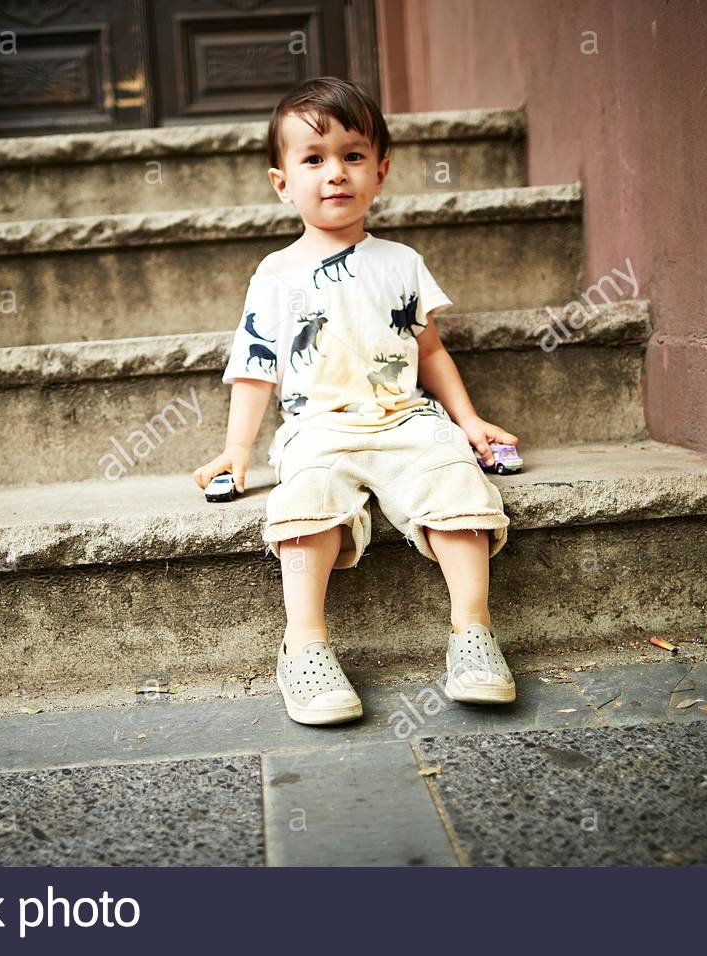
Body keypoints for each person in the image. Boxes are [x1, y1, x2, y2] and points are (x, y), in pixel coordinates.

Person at [192, 76, 519, 726]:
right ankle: (306, 646)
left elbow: (429, 353)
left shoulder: (401, 262)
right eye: (313, 159)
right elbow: (256, 370)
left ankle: (473, 634)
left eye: (352, 156)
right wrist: (236, 451)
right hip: (319, 429)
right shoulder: (276, 274)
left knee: (459, 486)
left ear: (381, 171)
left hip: (406, 420)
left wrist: (469, 420)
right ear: (282, 181)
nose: (334, 173)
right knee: (307, 502)